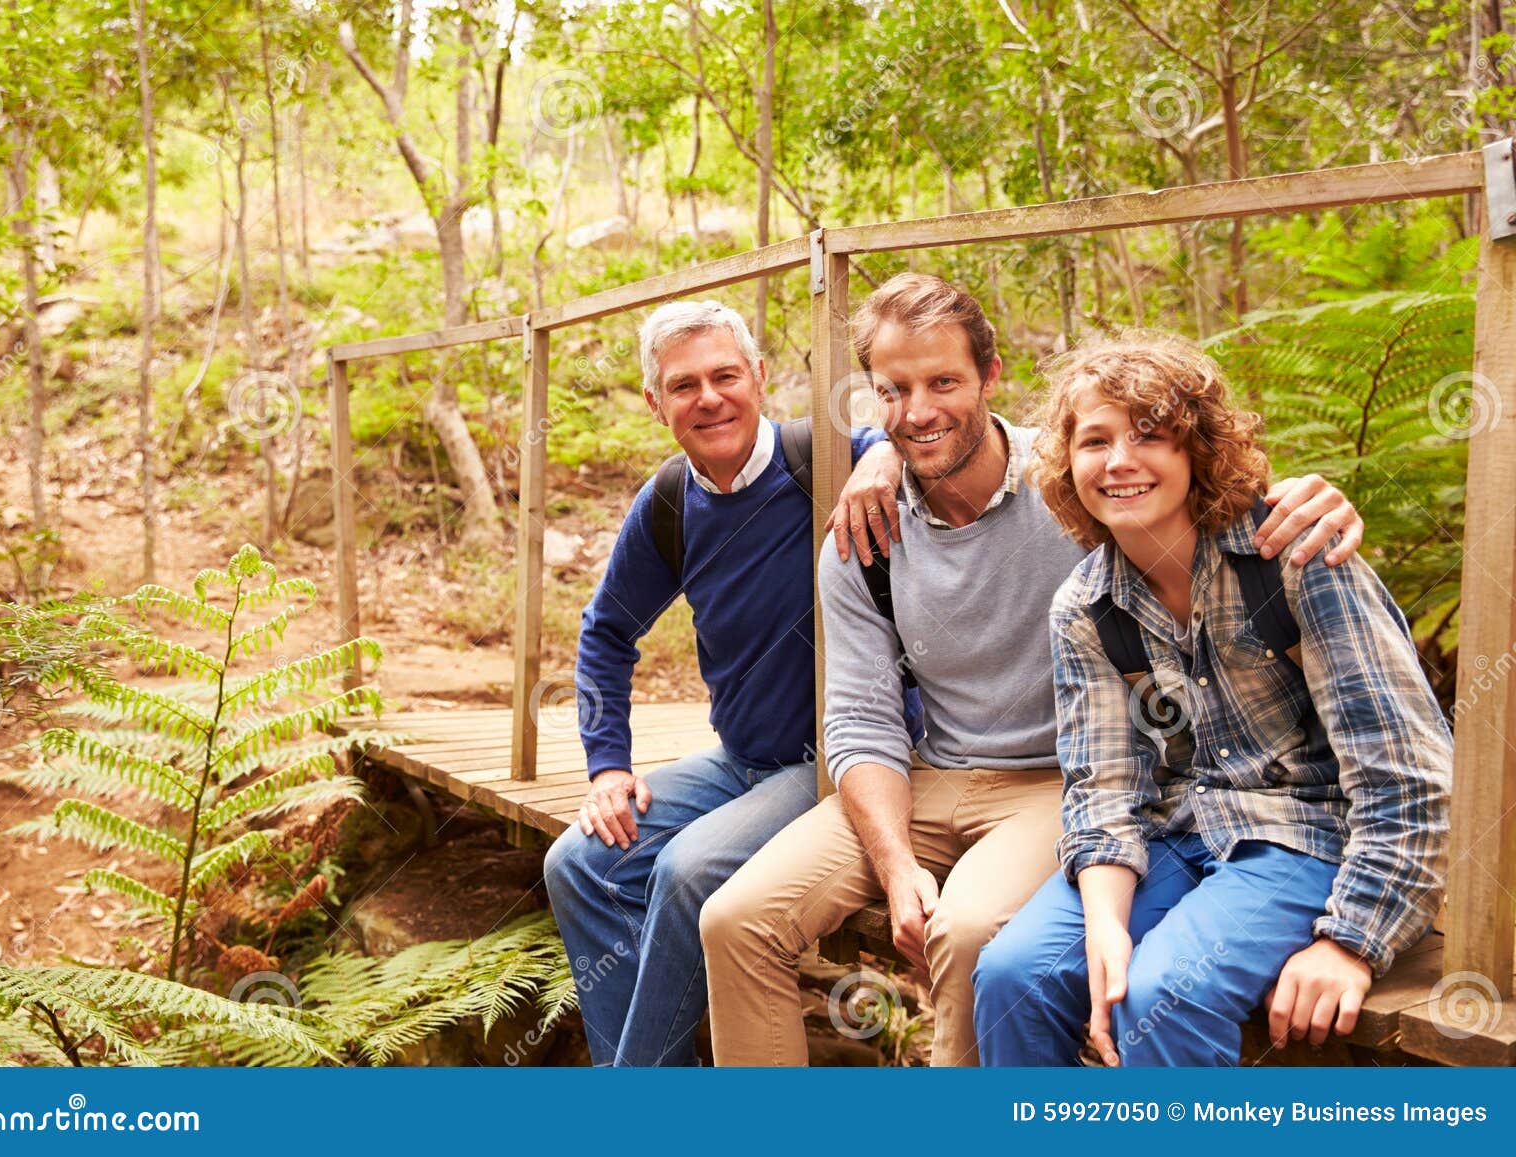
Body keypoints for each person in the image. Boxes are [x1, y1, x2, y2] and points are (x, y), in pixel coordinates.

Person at [699, 274, 1365, 1066]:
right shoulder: (862, 533)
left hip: (1066, 777)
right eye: (894, 389)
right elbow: (860, 717)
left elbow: (1200, 495)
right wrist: (898, 865)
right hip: (928, 772)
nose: (918, 411)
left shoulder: (1080, 487)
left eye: (943, 381)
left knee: (974, 930)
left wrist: (1316, 501)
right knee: (734, 918)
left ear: (989, 374)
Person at [970, 331, 1452, 1067]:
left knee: (1165, 989)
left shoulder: (1293, 554)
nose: (1120, 460)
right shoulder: (1085, 605)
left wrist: (1353, 941)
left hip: (1304, 836)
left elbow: (1407, 772)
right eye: (1094, 440)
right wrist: (1104, 925)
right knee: (1017, 975)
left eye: (1150, 436)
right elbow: (1100, 789)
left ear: (1197, 450)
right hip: (1176, 834)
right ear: (1069, 464)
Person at [542, 299, 904, 1066]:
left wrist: (881, 455)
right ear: (655, 403)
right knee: (578, 861)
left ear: (761, 377)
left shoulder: (826, 458)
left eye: (725, 375)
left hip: (835, 760)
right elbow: (605, 631)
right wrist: (607, 763)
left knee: (685, 869)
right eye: (683, 385)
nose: (708, 397)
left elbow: (909, 446)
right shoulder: (671, 502)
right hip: (738, 759)